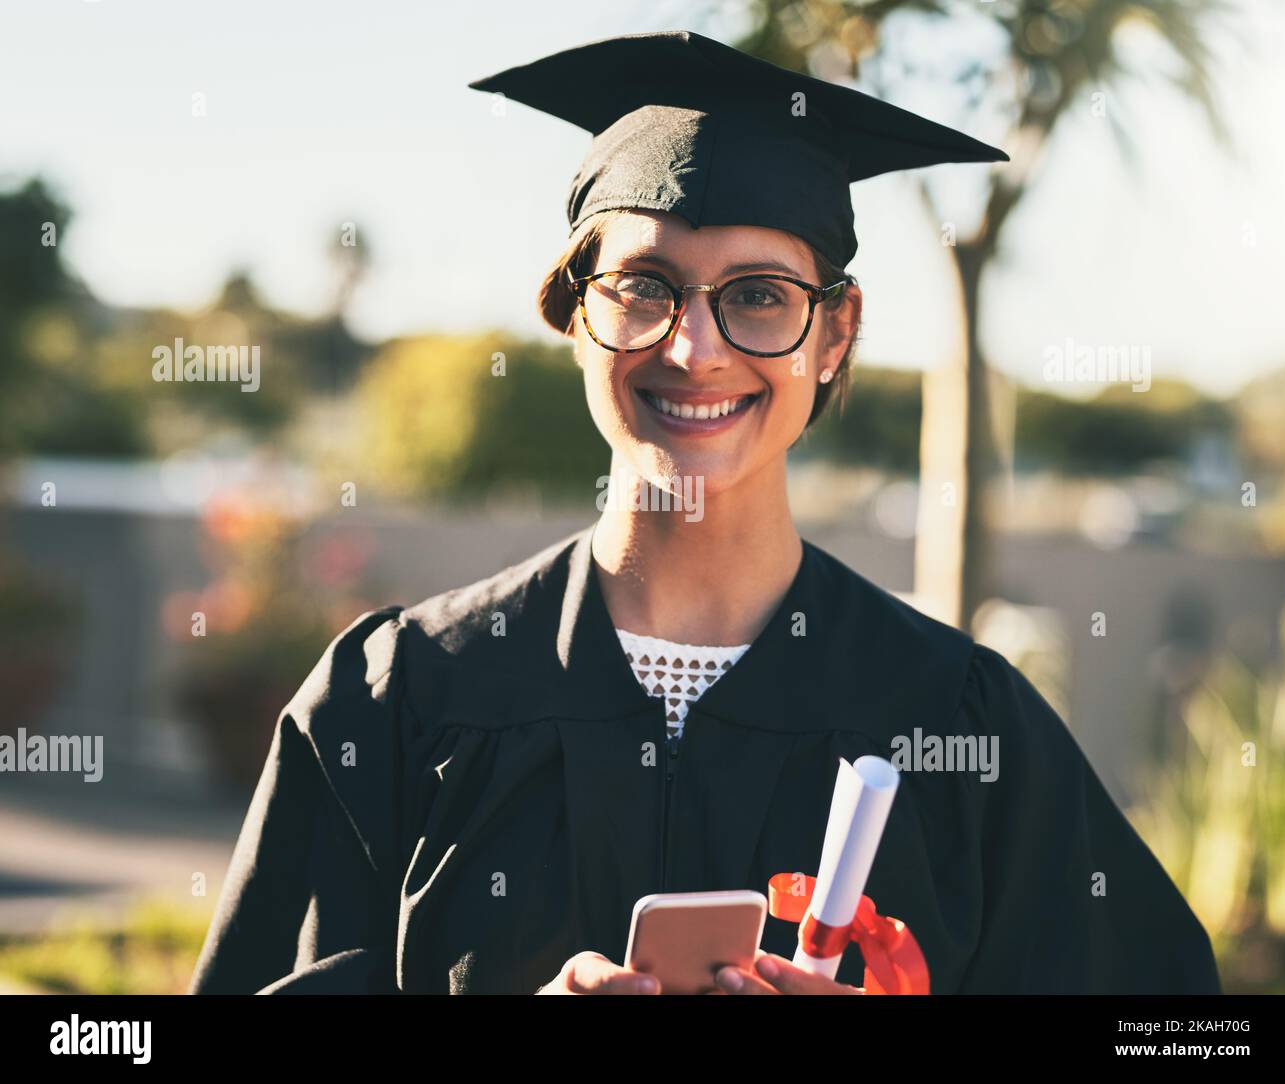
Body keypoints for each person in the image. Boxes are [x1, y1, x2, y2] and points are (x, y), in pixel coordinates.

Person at [189, 30, 1220, 995]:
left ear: (835, 334)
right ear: (574, 312)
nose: (694, 348)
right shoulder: (398, 701)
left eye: (759, 294)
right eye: (644, 286)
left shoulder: (956, 721)